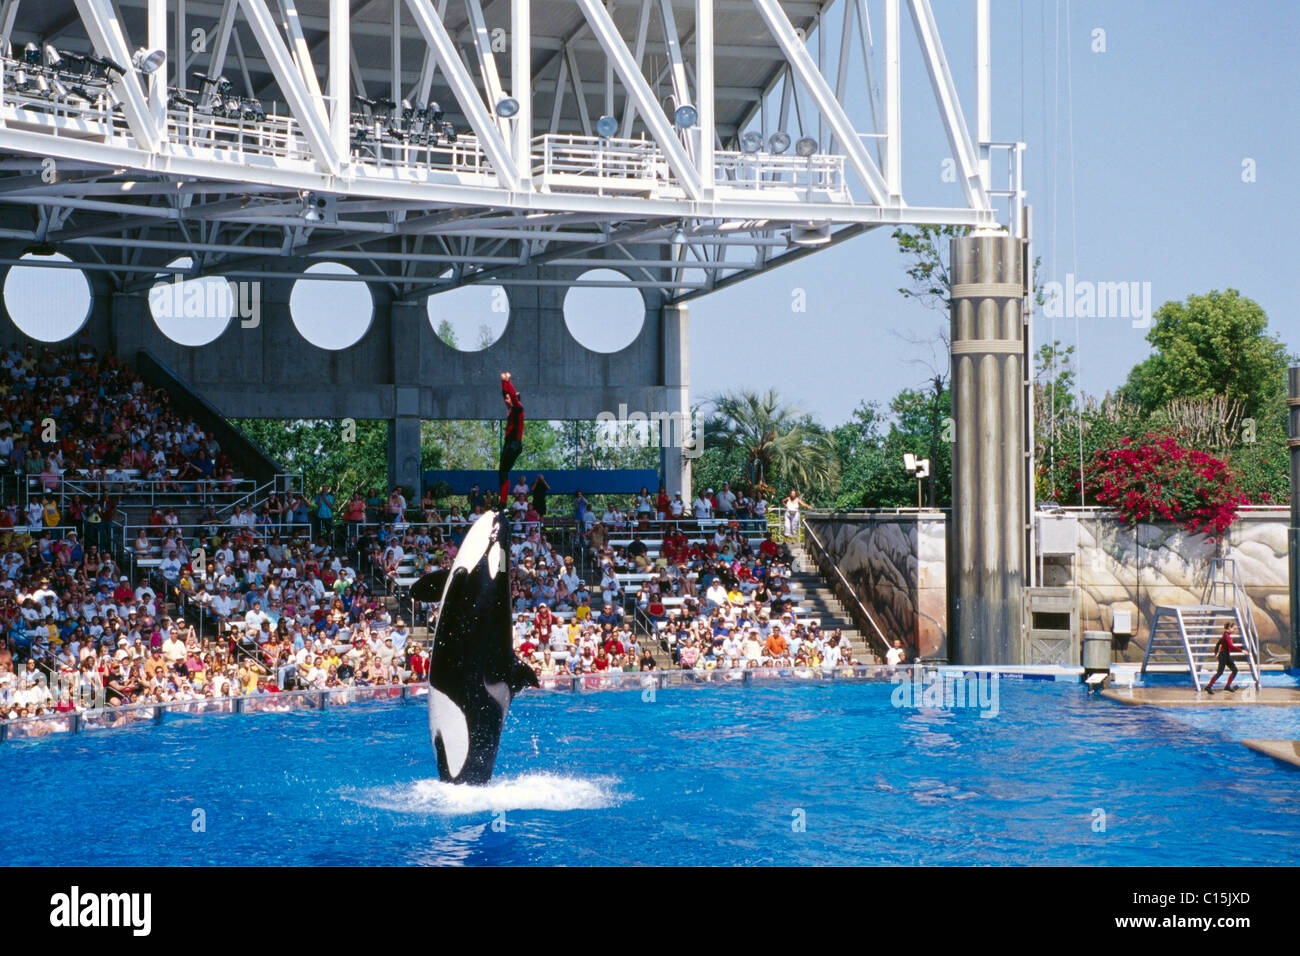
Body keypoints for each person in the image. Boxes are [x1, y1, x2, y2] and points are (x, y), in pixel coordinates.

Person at [497, 372, 524, 505]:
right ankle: (503, 502)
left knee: (503, 471)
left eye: (508, 399)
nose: (506, 401)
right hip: (510, 445)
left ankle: (503, 502)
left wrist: (508, 381)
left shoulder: (518, 409)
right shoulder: (511, 410)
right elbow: (505, 395)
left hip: (514, 444)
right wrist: (503, 382)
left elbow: (512, 396)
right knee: (502, 472)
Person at [1205, 622, 1240, 694]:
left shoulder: (1226, 635)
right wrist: (1242, 650)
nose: (1234, 630)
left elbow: (1218, 643)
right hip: (1224, 655)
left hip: (1226, 655)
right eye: (1233, 628)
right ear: (1229, 628)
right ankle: (1209, 686)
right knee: (1220, 672)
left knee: (1235, 670)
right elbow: (1231, 646)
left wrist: (1216, 653)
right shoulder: (1226, 636)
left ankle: (1227, 686)